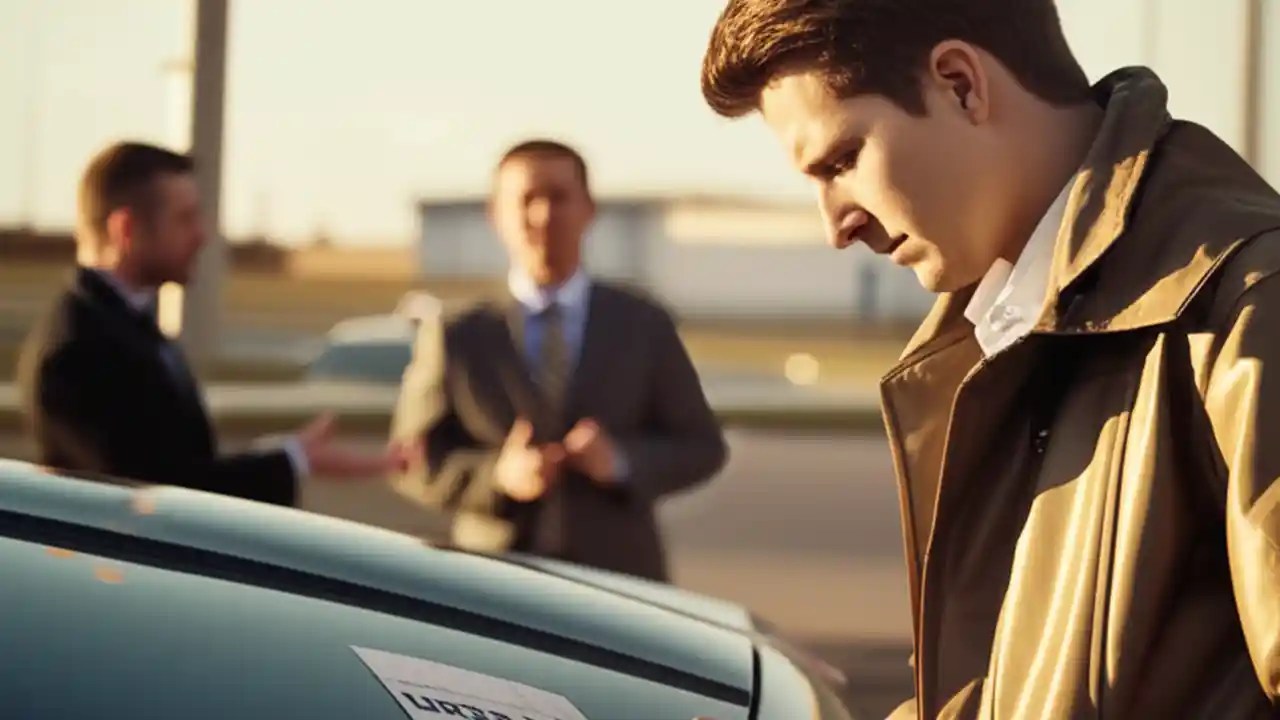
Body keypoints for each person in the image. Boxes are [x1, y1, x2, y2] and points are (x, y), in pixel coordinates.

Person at [701, 1, 1280, 717]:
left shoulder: (1246, 306)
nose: (836, 226)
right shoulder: (1006, 338)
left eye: (844, 160)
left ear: (960, 84)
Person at [390, 139, 727, 581]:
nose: (544, 215)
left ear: (589, 209)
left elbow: (701, 446)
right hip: (493, 581)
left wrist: (622, 462)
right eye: (527, 199)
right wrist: (498, 478)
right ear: (495, 215)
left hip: (622, 584)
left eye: (559, 197)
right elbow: (411, 459)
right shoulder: (456, 334)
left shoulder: (643, 323)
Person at [18, 141, 406, 507]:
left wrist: (286, 455)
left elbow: (176, 465)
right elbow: (154, 500)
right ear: (126, 231)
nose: (202, 235)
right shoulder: (78, 351)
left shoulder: (125, 324)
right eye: (184, 218)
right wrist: (289, 462)